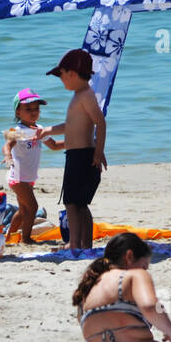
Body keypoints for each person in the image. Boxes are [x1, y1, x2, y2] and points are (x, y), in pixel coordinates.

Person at [36, 49, 106, 250]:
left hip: (82, 155)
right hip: (77, 154)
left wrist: (98, 151)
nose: (61, 80)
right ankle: (84, 244)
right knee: (79, 203)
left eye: (61, 75)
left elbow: (100, 122)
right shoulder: (79, 96)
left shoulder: (85, 95)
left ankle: (75, 244)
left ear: (73, 73)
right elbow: (72, 126)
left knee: (73, 203)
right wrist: (49, 130)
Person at [1, 89, 64, 244]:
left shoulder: (40, 129)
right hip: (18, 177)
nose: (33, 112)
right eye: (28, 109)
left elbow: (54, 145)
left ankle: (9, 237)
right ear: (18, 112)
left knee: (23, 211)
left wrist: (74, 142)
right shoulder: (17, 130)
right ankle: (26, 239)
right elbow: (6, 146)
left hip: (28, 178)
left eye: (36, 109)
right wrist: (8, 156)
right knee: (33, 207)